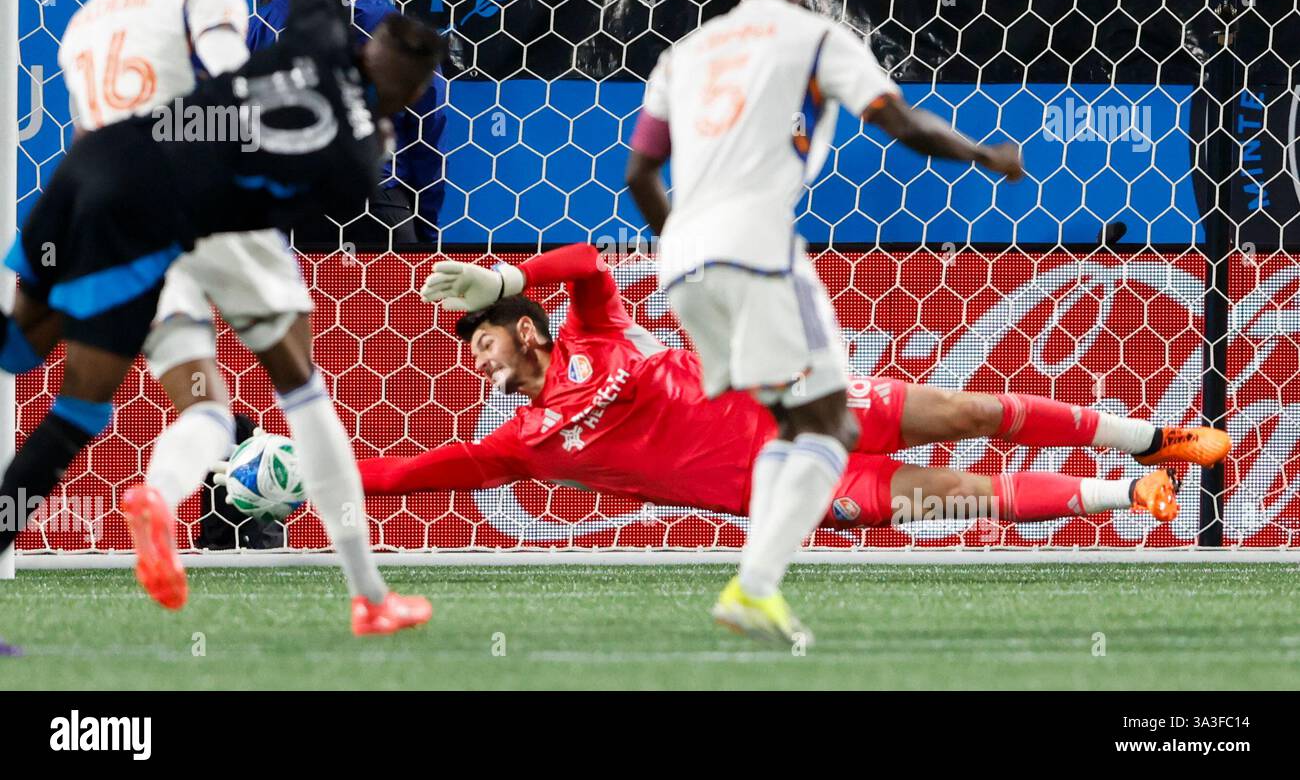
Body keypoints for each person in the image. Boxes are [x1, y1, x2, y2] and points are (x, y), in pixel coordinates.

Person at [362, 245, 1228, 611]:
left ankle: (1150, 438)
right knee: (970, 499)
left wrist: (506, 272)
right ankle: (1133, 490)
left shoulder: (596, 331)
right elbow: (413, 474)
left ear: (521, 326)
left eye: (479, 337)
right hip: (804, 489)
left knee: (969, 410)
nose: (473, 358)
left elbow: (587, 266)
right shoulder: (527, 442)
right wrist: (317, 471)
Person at [0, 0, 440, 635]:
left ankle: (160, 495)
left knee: (40, 368)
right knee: (298, 391)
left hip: (101, 178)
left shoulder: (83, 23)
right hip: (202, 215)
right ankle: (367, 593)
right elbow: (232, 73)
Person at [624, 0, 1024, 643]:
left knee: (791, 419)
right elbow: (902, 122)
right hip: (757, 248)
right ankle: (755, 587)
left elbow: (640, 173)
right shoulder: (815, 36)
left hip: (677, 260)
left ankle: (755, 583)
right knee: (833, 425)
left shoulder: (683, 52)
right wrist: (983, 155)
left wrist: (685, 241)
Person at [247, 0, 447, 246]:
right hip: (381, 207)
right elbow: (429, 138)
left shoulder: (262, 24)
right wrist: (426, 232)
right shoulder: (401, 35)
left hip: (294, 211)